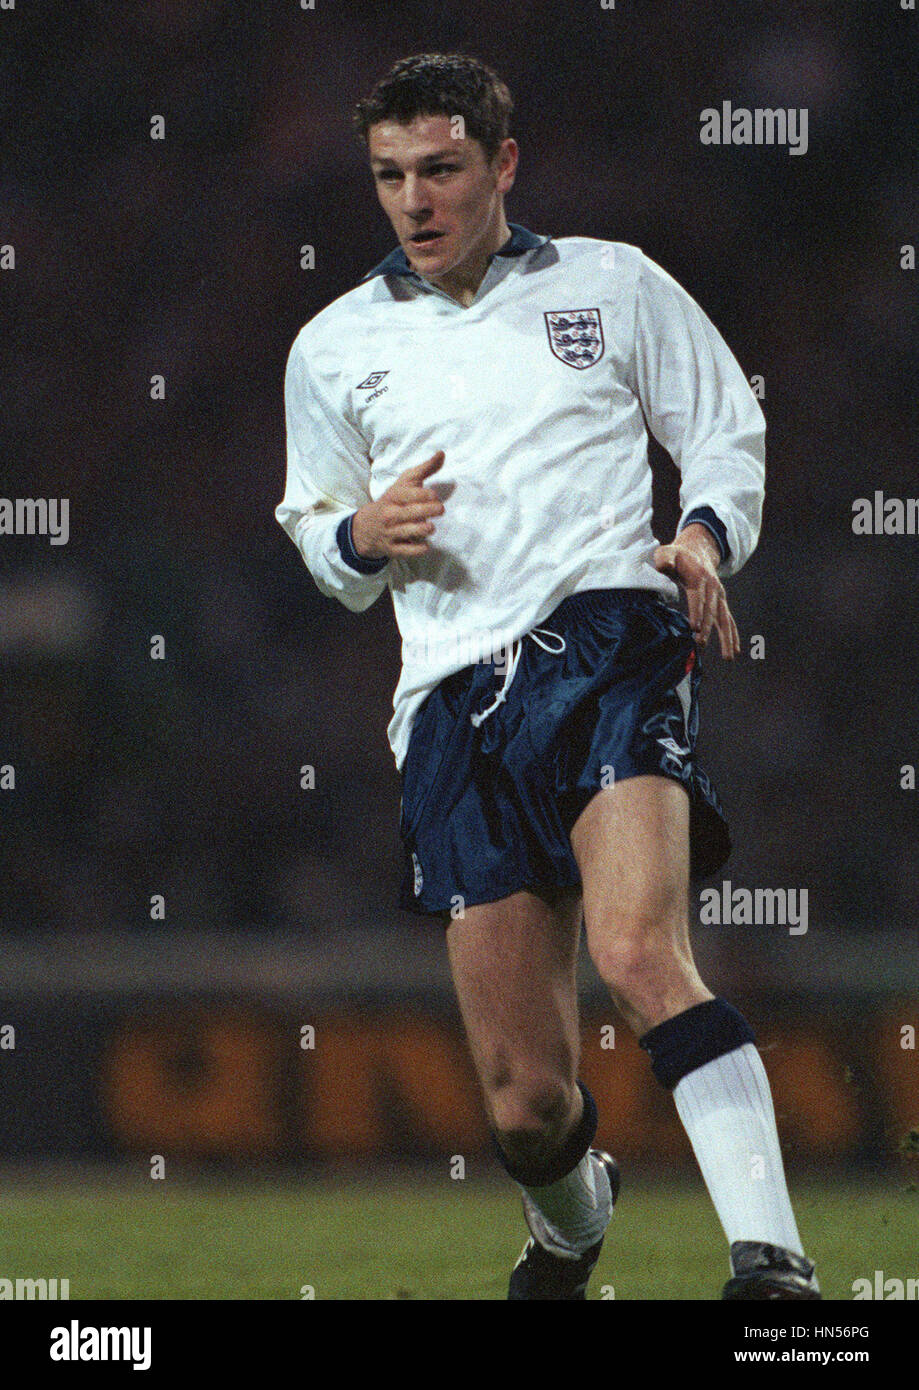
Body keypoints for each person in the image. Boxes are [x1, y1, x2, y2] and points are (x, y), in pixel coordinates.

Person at [276, 51, 820, 1301]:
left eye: (442, 170)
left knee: (636, 947)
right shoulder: (331, 347)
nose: (416, 200)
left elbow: (725, 424)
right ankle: (573, 1226)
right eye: (391, 176)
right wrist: (359, 534)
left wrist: (702, 534)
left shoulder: (611, 283)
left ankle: (771, 1267)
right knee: (526, 1102)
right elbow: (316, 535)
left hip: (609, 636)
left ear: (502, 165)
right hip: (451, 704)